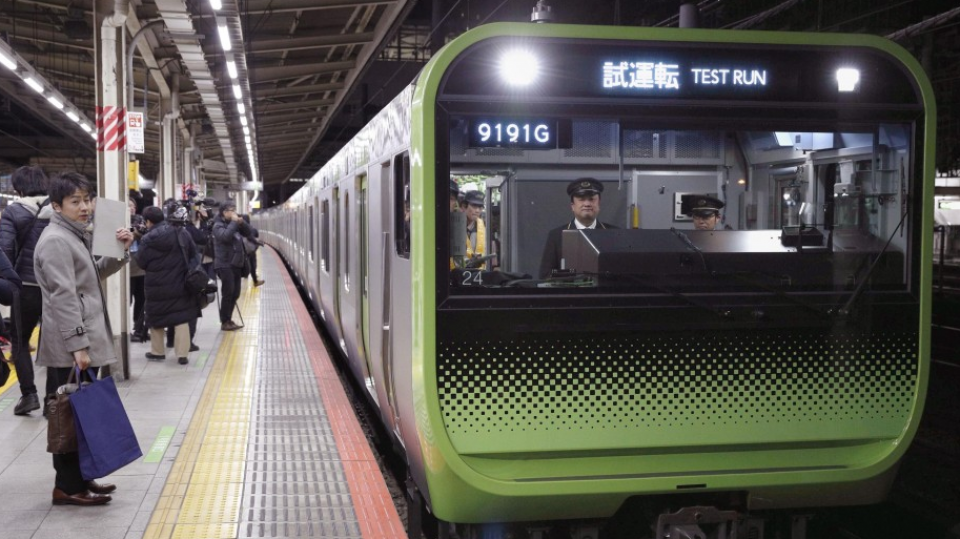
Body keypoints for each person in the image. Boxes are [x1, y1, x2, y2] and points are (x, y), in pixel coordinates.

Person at [34, 171, 133, 506]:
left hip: (79, 341)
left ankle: (82, 478)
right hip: (68, 346)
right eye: (75, 201)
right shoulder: (55, 241)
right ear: (57, 206)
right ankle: (67, 486)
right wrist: (78, 346)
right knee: (66, 415)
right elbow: (63, 297)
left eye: (87, 199)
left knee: (80, 414)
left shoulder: (74, 236)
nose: (85, 207)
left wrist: (120, 251)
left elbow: (93, 274)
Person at [0, 165, 51, 415]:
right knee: (56, 341)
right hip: (56, 286)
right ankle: (54, 399)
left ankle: (29, 395)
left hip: (26, 286)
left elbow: (5, 250)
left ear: (18, 187)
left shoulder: (14, 211)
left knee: (20, 341)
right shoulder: (59, 208)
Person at [136, 206, 200, 365]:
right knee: (181, 316)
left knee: (155, 316)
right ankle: (182, 353)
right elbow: (194, 254)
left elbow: (141, 262)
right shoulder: (181, 232)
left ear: (148, 221)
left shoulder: (147, 239)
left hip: (156, 285)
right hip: (180, 282)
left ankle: (157, 352)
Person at [538, 178, 617, 279]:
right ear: (572, 206)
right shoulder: (557, 236)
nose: (587, 204)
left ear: (599, 204)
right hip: (569, 293)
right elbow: (545, 275)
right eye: (582, 199)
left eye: (592, 199)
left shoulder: (614, 233)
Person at [212, 201, 250, 331]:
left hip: (236, 264)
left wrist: (241, 222)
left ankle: (229, 319)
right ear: (224, 212)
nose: (234, 213)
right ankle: (225, 321)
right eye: (231, 210)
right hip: (224, 264)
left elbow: (249, 232)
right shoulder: (217, 226)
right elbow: (225, 237)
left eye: (235, 210)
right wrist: (234, 223)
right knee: (228, 293)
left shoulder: (233, 224)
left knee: (236, 293)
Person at [462, 190, 487, 269]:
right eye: (474, 206)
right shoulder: (453, 226)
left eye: (480, 207)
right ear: (464, 206)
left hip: (479, 276)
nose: (477, 210)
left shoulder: (484, 229)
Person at [241, 214, 264, 287]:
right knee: (252, 264)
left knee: (244, 263)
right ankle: (255, 280)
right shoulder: (251, 228)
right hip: (250, 250)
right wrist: (257, 243)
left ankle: (245, 276)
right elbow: (254, 237)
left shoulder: (238, 228)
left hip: (241, 250)